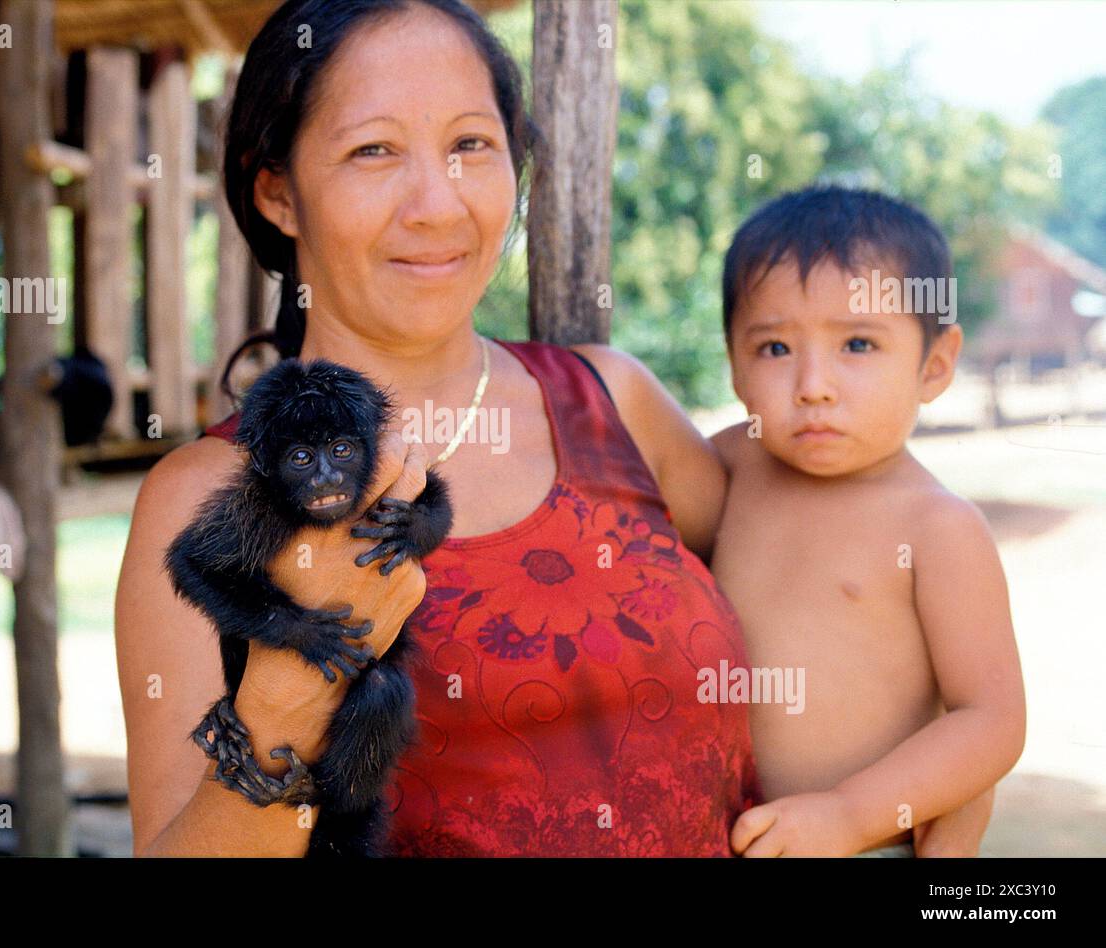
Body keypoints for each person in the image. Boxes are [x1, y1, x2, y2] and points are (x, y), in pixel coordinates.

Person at [115, 0, 759, 857]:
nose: (436, 205)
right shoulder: (209, 497)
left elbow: (798, 557)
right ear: (278, 192)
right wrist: (287, 696)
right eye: (373, 150)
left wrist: (928, 774)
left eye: (470, 145)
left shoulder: (614, 404)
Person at [708, 186, 1026, 857]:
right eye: (774, 350)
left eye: (857, 343)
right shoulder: (735, 466)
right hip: (716, 835)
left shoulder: (936, 527)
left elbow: (991, 718)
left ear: (933, 365)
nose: (813, 384)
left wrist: (851, 815)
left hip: (865, 843)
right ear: (735, 364)